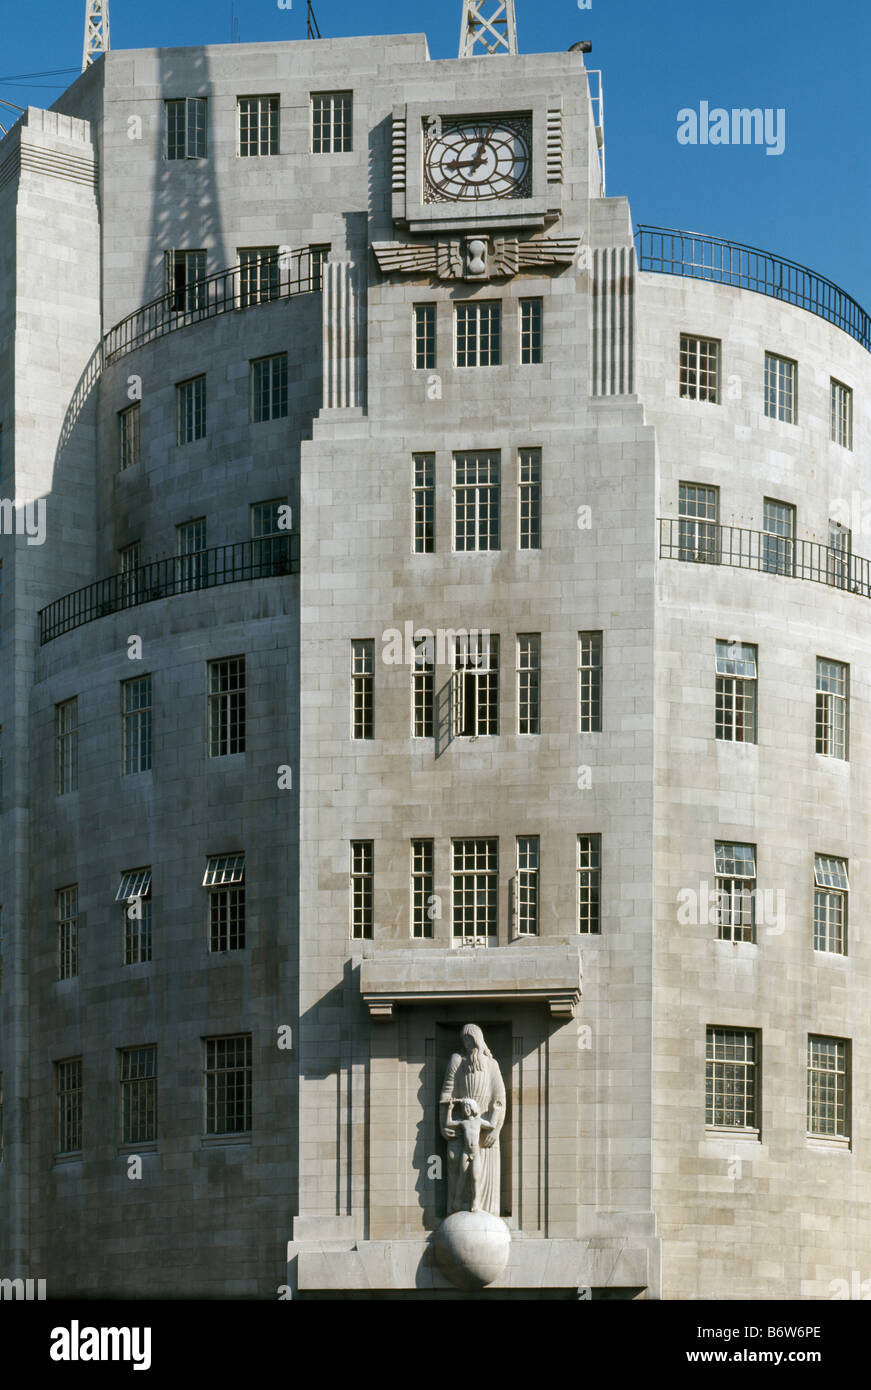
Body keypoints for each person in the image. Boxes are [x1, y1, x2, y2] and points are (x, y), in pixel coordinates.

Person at [439, 1023, 506, 1215]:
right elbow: (446, 1093)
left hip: (483, 1125)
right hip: (461, 1124)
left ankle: (484, 1211)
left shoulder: (492, 1065)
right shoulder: (457, 1061)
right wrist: (443, 1123)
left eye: (470, 1039)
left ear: (478, 1039)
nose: (467, 1043)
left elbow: (499, 1098)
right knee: (455, 1166)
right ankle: (456, 1207)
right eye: (464, 1040)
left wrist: (497, 1128)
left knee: (481, 1173)